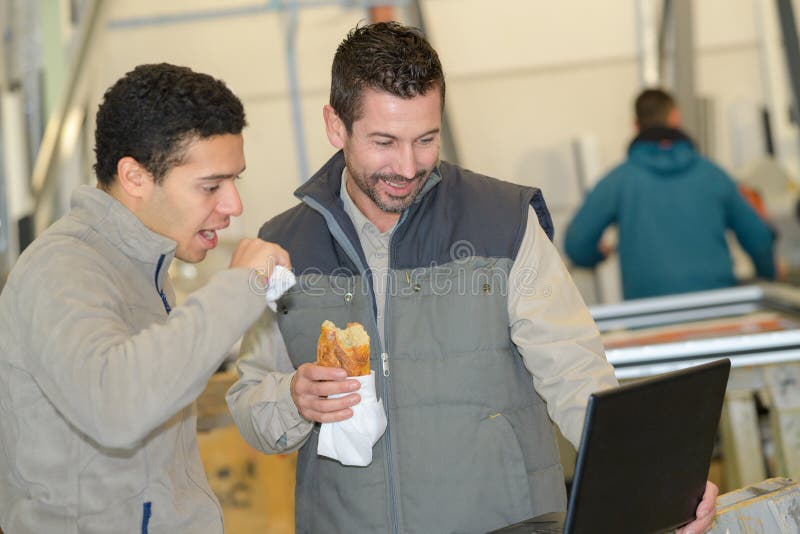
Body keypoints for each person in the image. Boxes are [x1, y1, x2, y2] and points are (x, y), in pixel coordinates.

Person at [226, 23, 717, 533]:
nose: (408, 166)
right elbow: (249, 400)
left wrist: (653, 485)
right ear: (336, 126)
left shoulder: (502, 221)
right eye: (383, 141)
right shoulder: (284, 247)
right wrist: (291, 400)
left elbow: (575, 373)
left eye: (426, 139)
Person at [0, 63, 289, 533]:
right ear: (134, 177)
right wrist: (241, 288)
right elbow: (115, 407)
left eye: (235, 181)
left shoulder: (145, 269)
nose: (233, 205)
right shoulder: (62, 269)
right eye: (211, 186)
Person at [564, 88, 776, 300]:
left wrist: (598, 254)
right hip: (717, 310)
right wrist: (768, 276)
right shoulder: (714, 176)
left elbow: (576, 245)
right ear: (675, 117)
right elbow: (759, 238)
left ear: (635, 125)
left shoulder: (619, 180)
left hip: (650, 317)